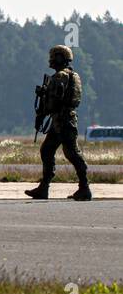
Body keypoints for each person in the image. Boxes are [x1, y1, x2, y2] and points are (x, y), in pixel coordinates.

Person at [26, 45, 91, 201]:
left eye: (54, 56)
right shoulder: (72, 75)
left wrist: (44, 101)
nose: (51, 60)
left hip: (63, 121)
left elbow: (54, 101)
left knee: (72, 153)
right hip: (62, 120)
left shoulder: (60, 77)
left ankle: (84, 188)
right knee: (47, 150)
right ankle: (44, 187)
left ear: (60, 58)